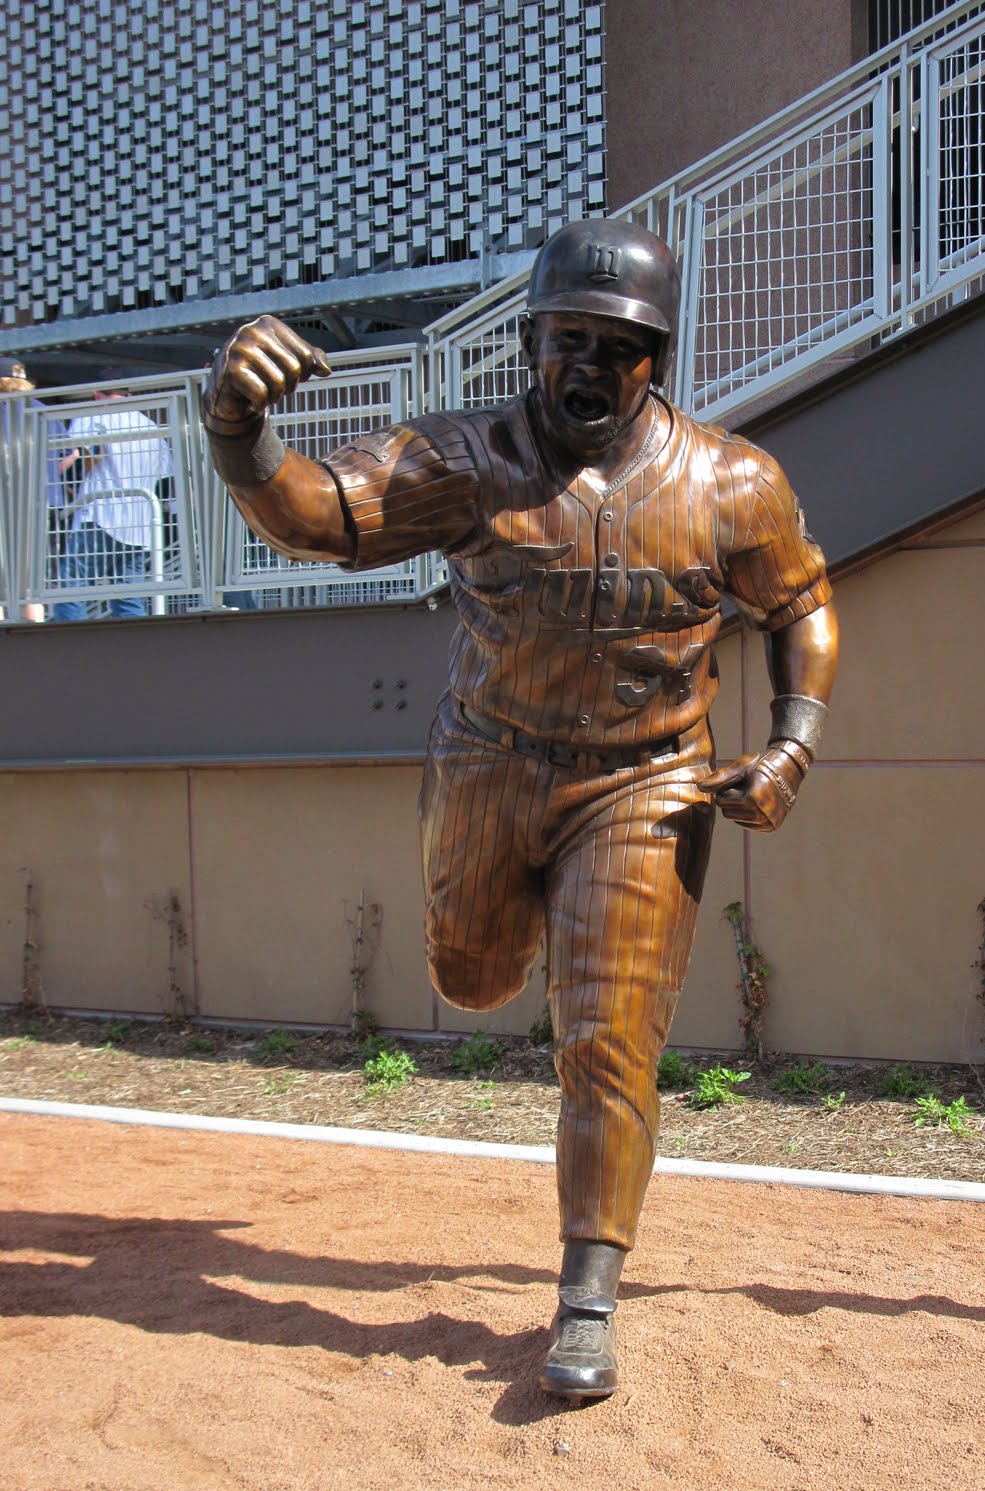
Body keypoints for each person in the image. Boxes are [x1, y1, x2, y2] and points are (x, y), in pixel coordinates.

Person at [203, 219, 839, 1401]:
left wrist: (793, 742)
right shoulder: (463, 460)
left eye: (619, 346)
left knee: (606, 1039)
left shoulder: (729, 484)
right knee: (475, 977)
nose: (589, 368)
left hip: (646, 779)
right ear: (529, 342)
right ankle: (531, 925)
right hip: (491, 767)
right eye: (567, 341)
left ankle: (587, 1296)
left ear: (660, 356)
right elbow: (313, 514)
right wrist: (240, 435)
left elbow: (802, 604)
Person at [53, 369, 173, 621]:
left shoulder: (93, 418)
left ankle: (69, 646)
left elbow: (80, 461)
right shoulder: (150, 426)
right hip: (139, 523)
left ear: (97, 394)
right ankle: (138, 649)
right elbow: (165, 478)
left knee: (72, 584)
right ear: (129, 392)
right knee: (129, 594)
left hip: (98, 515)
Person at [0, 355, 63, 623]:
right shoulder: (41, 408)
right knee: (29, 581)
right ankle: (35, 633)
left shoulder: (1, 411)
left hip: (9, 506)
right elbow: (72, 454)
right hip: (45, 503)